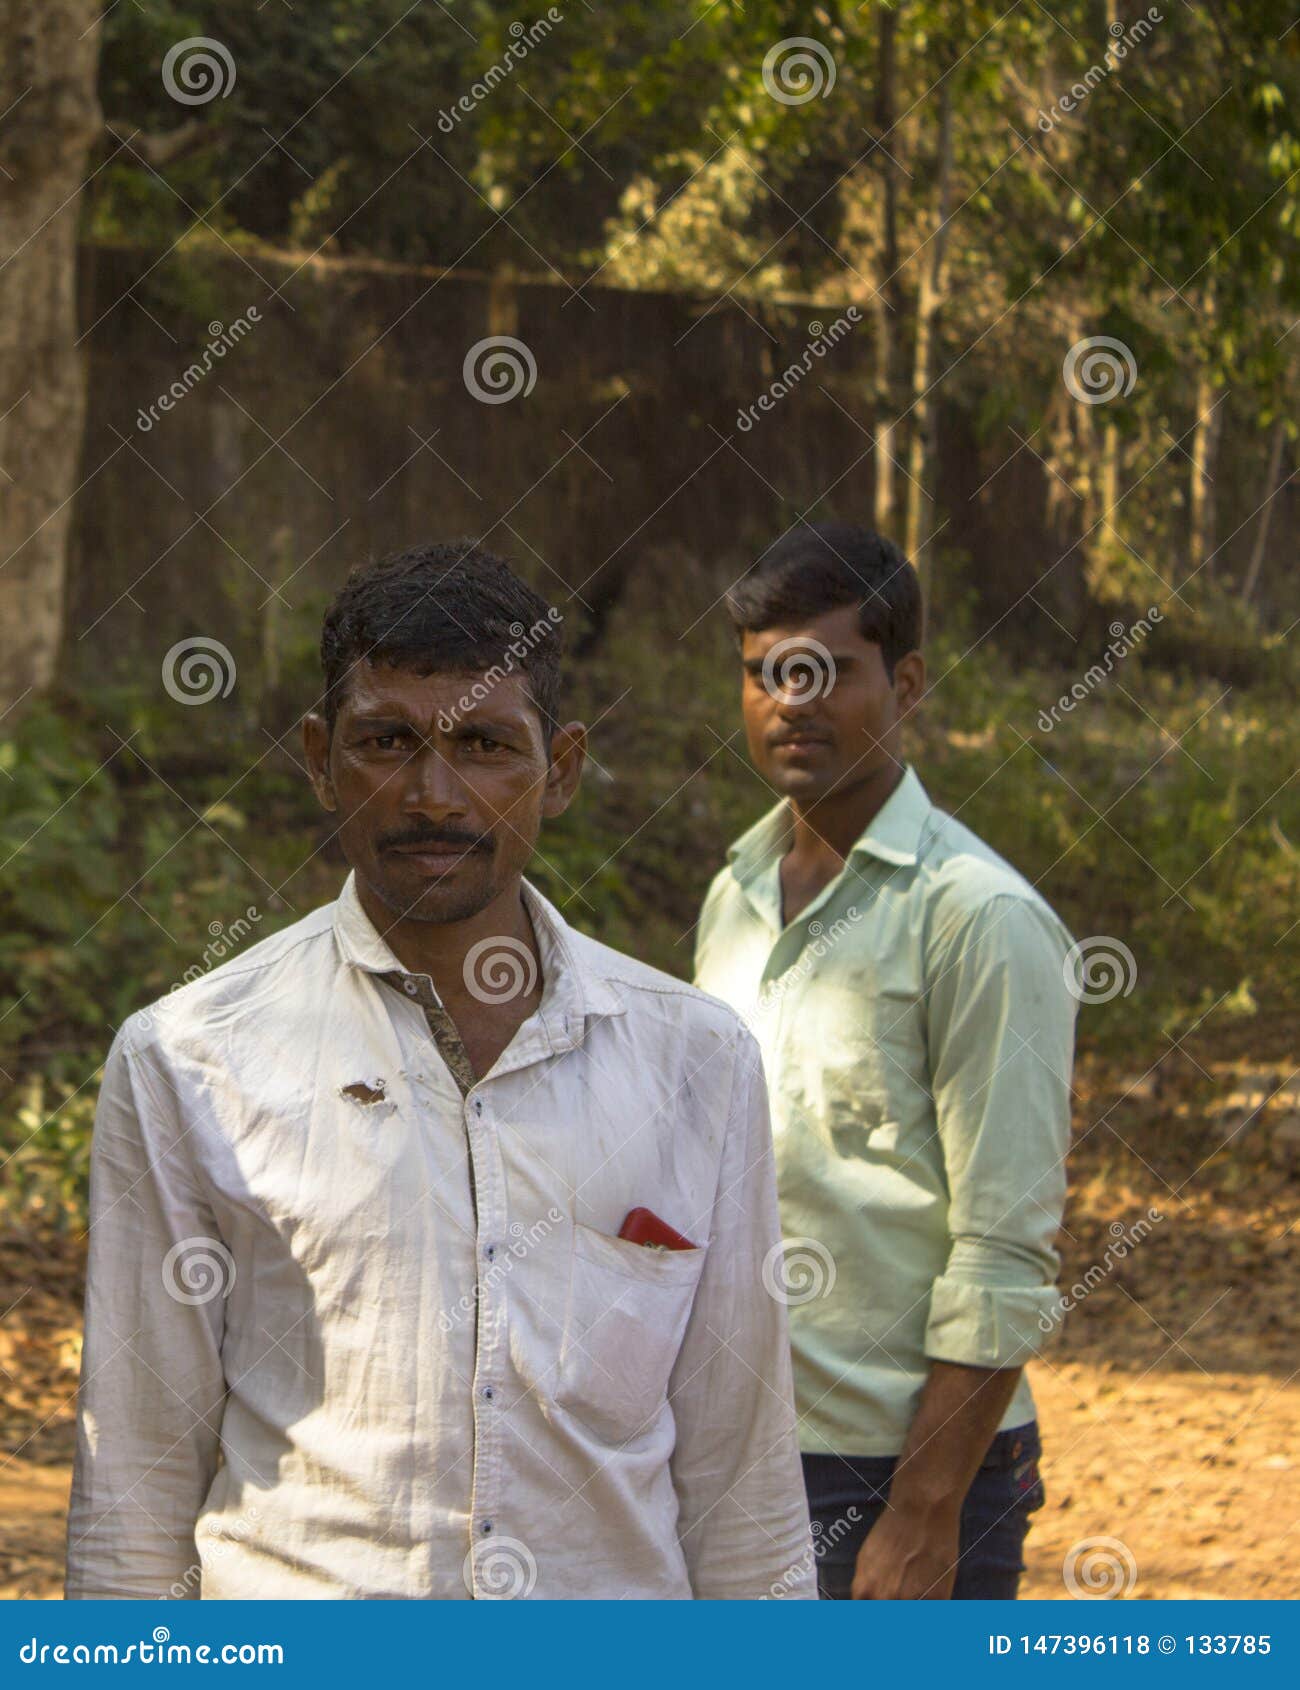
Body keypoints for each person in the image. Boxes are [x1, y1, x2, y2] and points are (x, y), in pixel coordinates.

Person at [66, 540, 814, 1601]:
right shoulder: (189, 1056)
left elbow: (742, 1479)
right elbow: (133, 1480)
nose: (434, 792)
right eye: (387, 741)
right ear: (321, 757)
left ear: (559, 768)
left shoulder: (694, 1060)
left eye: (484, 744)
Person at [694, 522, 1076, 1600]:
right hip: (743, 1452)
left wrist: (921, 1511)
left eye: (826, 672)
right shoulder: (733, 896)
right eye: (765, 675)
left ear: (904, 684)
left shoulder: (979, 918)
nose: (791, 701)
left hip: (903, 1468)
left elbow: (1004, 1246)